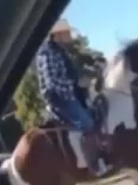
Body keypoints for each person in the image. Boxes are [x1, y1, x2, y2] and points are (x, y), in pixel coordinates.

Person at [36, 20, 110, 176]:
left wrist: (90, 73)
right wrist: (76, 83)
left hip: (69, 95)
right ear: (58, 35)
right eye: (67, 33)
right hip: (60, 99)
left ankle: (101, 152)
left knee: (96, 112)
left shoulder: (61, 51)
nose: (70, 35)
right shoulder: (47, 53)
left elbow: (73, 72)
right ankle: (94, 166)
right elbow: (52, 82)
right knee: (87, 123)